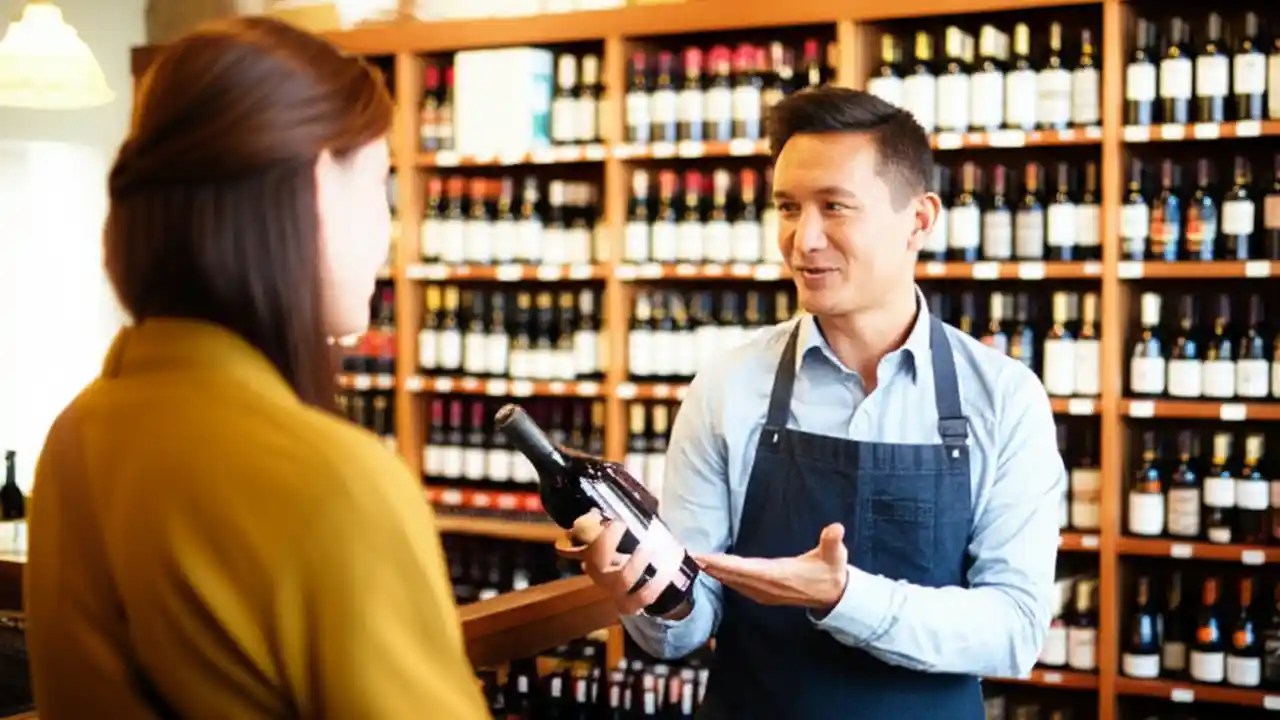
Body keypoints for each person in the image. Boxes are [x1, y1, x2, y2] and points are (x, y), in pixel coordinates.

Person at [23, 17, 489, 719]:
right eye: (379, 185)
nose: (389, 231)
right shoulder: (336, 484)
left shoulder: (76, 434)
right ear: (314, 189)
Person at [572, 87, 1065, 719]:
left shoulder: (1003, 399)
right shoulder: (727, 388)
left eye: (835, 207)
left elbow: (1014, 630)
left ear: (919, 219)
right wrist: (647, 590)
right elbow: (688, 627)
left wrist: (845, 597)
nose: (803, 240)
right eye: (787, 207)